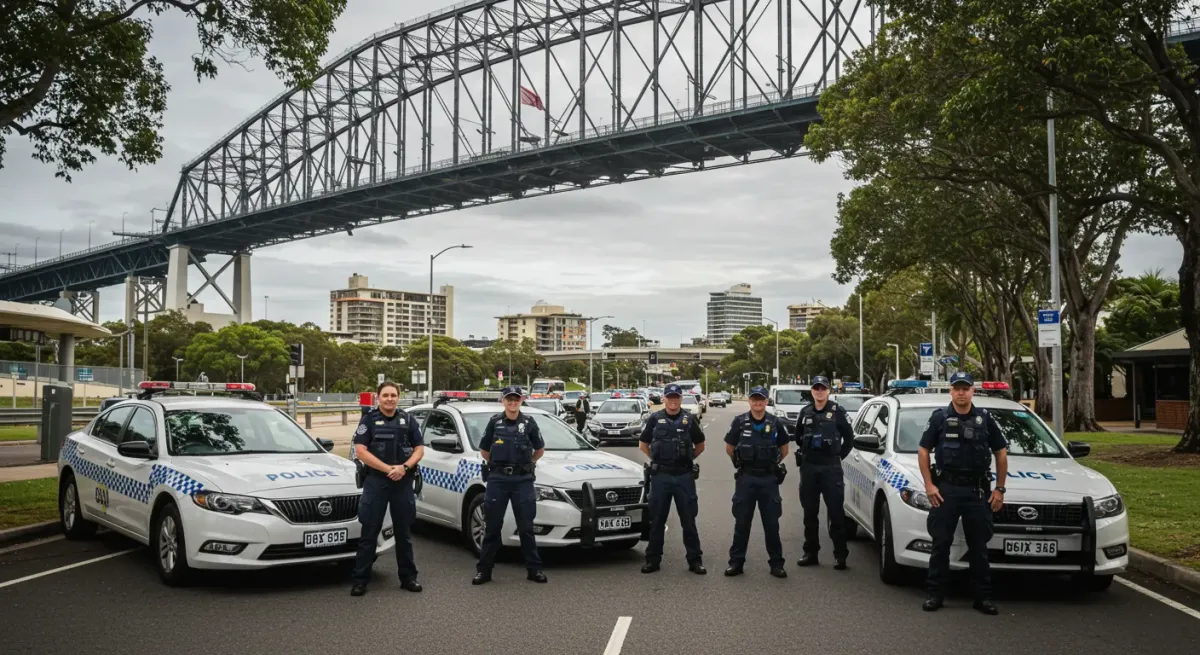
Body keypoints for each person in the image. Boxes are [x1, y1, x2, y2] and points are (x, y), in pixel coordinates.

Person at [919, 372, 1008, 615]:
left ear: (972, 391)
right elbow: (924, 450)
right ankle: (935, 594)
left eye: (965, 388)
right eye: (957, 388)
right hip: (946, 489)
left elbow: (1000, 452)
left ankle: (982, 597)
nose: (961, 392)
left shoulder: (985, 419)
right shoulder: (939, 417)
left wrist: (1000, 488)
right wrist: (929, 485)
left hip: (976, 491)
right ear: (950, 391)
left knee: (978, 547)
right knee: (940, 544)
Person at [350, 380, 425, 596]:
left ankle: (408, 578)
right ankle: (360, 580)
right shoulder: (369, 420)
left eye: (393, 395)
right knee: (369, 533)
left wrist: (404, 467)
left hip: (402, 481)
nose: (389, 399)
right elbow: (361, 451)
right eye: (385, 395)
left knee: (404, 533)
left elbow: (419, 449)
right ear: (378, 397)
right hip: (376, 481)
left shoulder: (408, 420)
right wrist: (388, 469)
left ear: (398, 397)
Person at [474, 386, 548, 585]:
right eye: (509, 399)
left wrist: (527, 464)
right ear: (503, 401)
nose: (513, 403)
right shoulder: (494, 422)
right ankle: (484, 571)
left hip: (522, 480)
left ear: (521, 401)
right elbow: (484, 451)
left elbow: (539, 449)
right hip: (498, 479)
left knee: (526, 527)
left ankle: (534, 570)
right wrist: (500, 464)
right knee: (492, 526)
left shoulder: (529, 423)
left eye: (516, 399)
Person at [639, 383, 706, 574]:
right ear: (664, 399)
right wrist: (657, 460)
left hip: (683, 476)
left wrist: (687, 460)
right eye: (670, 398)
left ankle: (695, 560)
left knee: (688, 520)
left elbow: (700, 444)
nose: (673, 401)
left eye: (676, 398)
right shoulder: (654, 419)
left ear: (680, 399)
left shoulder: (689, 419)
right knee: (657, 520)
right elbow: (643, 444)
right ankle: (653, 560)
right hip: (661, 476)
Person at [724, 386, 789, 578]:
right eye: (754, 399)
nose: (757, 402)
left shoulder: (775, 422)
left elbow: (784, 449)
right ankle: (736, 563)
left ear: (766, 401)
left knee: (772, 525)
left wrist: (771, 464)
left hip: (768, 479)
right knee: (742, 523)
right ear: (749, 401)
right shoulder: (739, 422)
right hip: (746, 479)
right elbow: (729, 448)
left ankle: (776, 564)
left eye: (761, 399)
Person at [795, 375, 854, 569]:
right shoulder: (805, 412)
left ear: (829, 391)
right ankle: (810, 553)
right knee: (809, 513)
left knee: (836, 513)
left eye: (823, 388)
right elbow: (798, 437)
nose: (819, 391)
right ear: (812, 391)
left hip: (830, 468)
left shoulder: (838, 412)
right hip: (810, 467)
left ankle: (840, 555)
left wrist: (838, 456)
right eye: (816, 388)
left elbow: (849, 438)